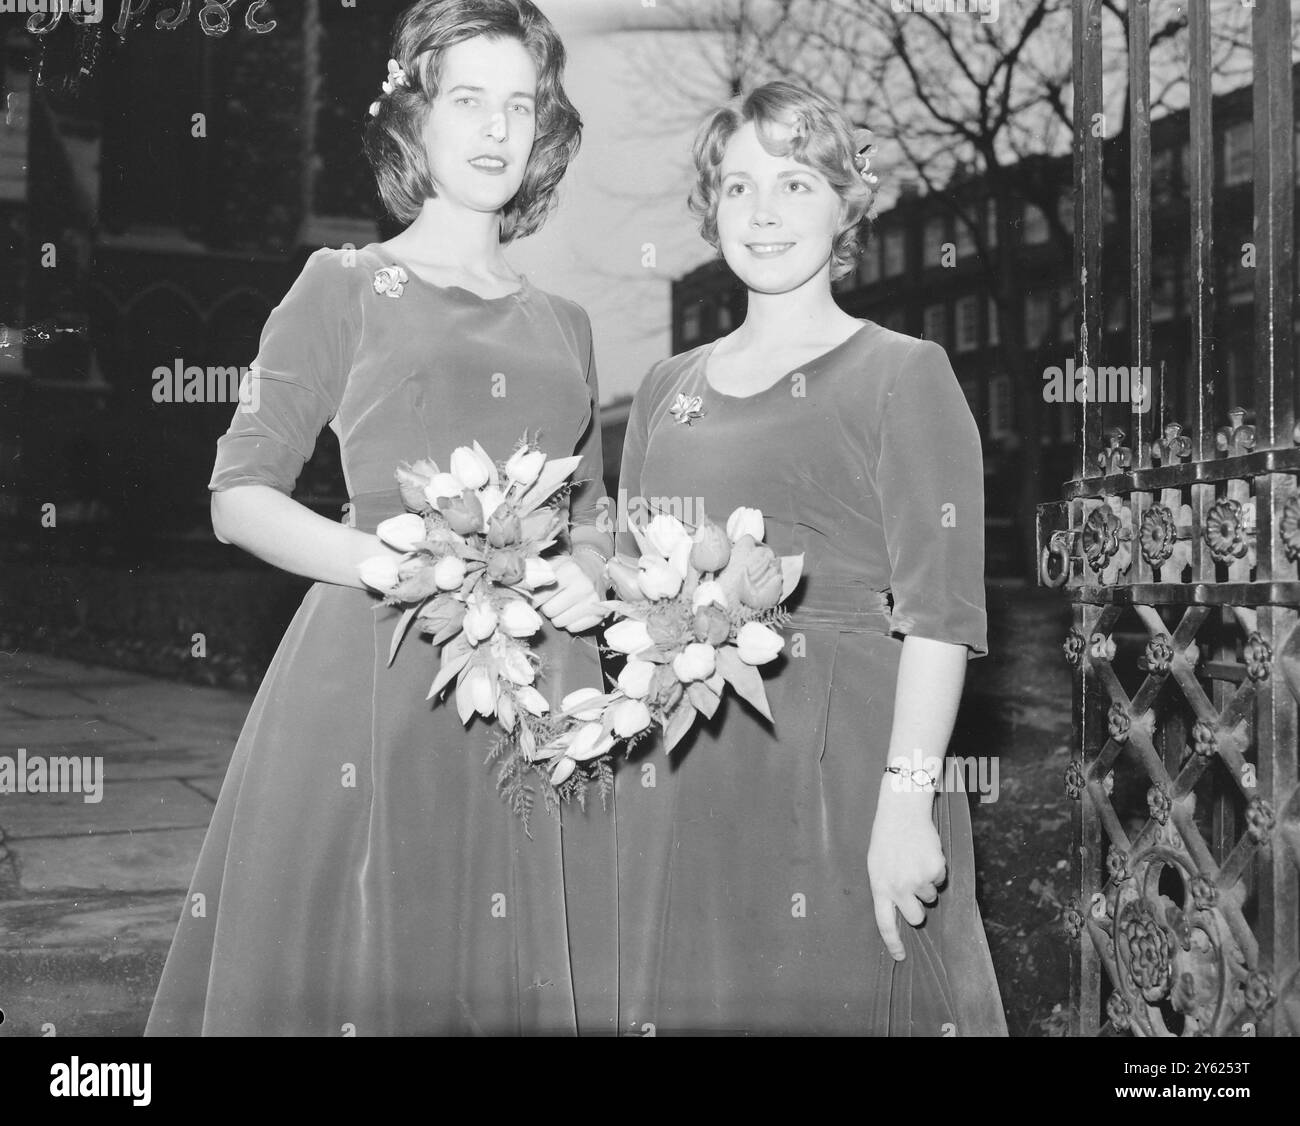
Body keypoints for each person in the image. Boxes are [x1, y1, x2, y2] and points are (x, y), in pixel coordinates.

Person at [146, 0, 617, 1036]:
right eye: (467, 101)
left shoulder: (567, 324)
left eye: (520, 106)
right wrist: (387, 562)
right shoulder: (344, 284)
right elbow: (239, 496)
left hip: (542, 685)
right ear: (414, 119)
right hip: (378, 669)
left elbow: (592, 510)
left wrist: (592, 561)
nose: (496, 130)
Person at [612, 81, 1007, 1035]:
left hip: (843, 766)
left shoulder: (902, 374)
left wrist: (909, 806)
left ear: (845, 206)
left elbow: (940, 617)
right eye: (738, 187)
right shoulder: (667, 387)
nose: (764, 212)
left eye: (795, 184)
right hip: (688, 757)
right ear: (711, 211)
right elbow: (630, 587)